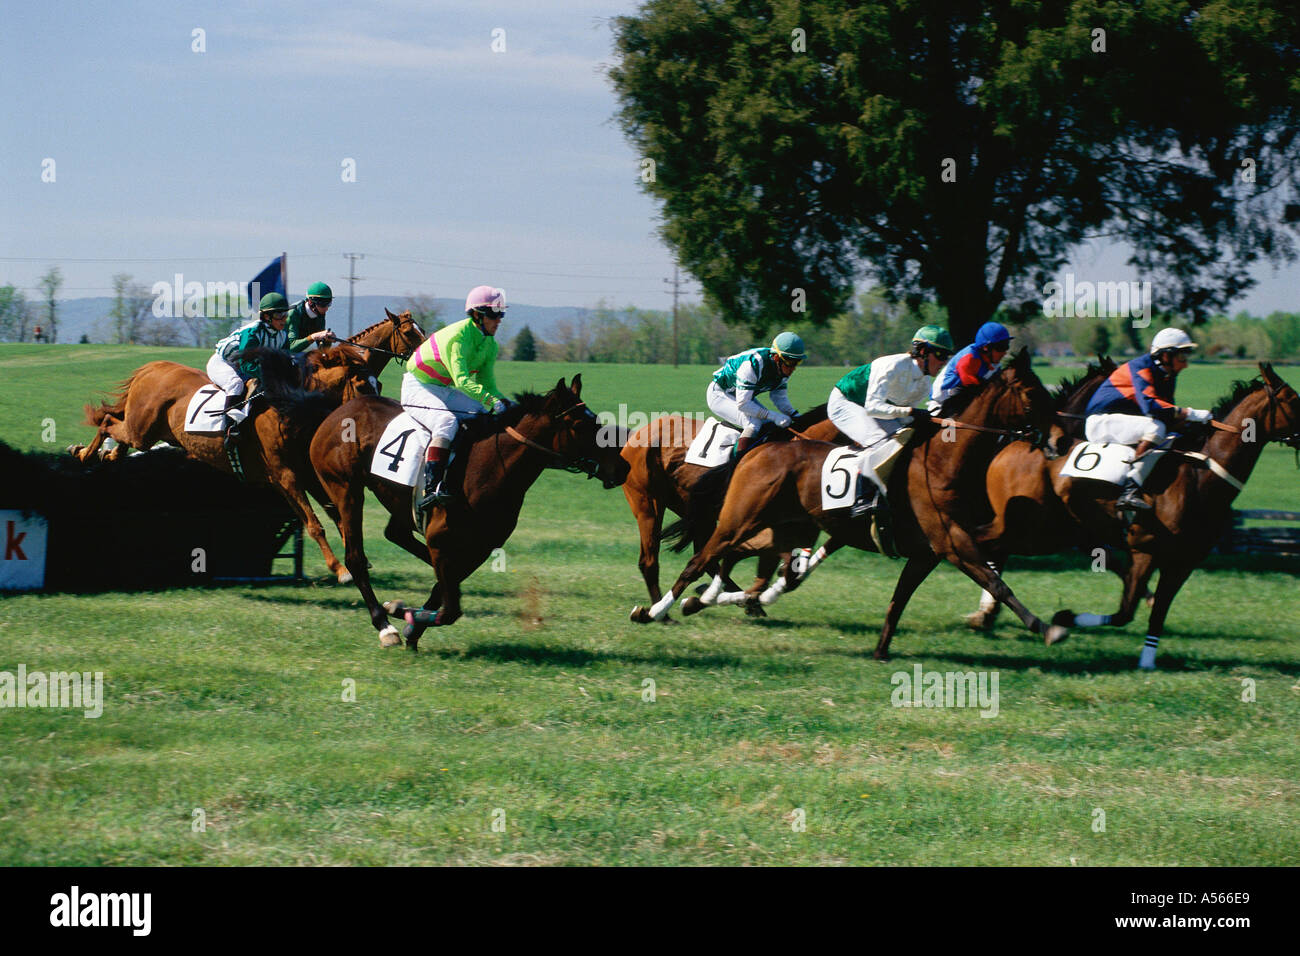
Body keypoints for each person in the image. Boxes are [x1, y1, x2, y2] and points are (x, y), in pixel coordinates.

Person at [402, 285, 510, 508]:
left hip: (440, 388)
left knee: (481, 414)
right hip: (417, 386)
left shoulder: (490, 344)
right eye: (494, 314)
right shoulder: (459, 336)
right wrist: (492, 402)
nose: (499, 320)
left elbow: (486, 384)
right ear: (478, 316)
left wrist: (505, 403)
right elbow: (462, 381)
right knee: (446, 421)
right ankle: (431, 488)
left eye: (502, 314)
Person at [831, 325, 953, 516]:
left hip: (877, 408)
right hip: (846, 402)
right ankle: (863, 497)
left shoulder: (924, 384)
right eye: (940, 355)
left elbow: (902, 419)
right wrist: (911, 412)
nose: (944, 362)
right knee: (879, 440)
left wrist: (919, 418)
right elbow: (873, 408)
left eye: (947, 357)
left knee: (907, 439)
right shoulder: (892, 365)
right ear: (922, 351)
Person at [1084, 327, 1212, 510]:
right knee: (1156, 428)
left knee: (1173, 432)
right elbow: (1151, 406)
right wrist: (1191, 413)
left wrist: (1191, 422)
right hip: (1100, 422)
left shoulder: (1167, 375)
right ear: (1166, 356)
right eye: (1182, 357)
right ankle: (1130, 490)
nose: (1185, 364)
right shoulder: (1140, 367)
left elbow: (1168, 412)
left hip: (1120, 421)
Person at [208, 293, 292, 443]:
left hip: (249, 366)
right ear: (267, 317)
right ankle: (228, 427)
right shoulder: (253, 332)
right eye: (280, 315)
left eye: (286, 314)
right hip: (224, 363)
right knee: (236, 385)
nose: (284, 319)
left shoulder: (283, 336)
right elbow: (246, 365)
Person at [707, 331, 804, 459]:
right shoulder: (753, 364)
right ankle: (734, 467)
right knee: (754, 423)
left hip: (741, 396)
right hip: (720, 394)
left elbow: (778, 397)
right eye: (790, 363)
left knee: (769, 425)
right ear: (776, 358)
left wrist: (794, 414)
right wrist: (774, 415)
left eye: (797, 362)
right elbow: (743, 404)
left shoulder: (782, 369)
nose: (793, 368)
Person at [929, 321, 1013, 412]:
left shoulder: (993, 361)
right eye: (1001, 347)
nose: (1004, 353)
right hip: (942, 399)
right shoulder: (968, 360)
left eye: (1006, 346)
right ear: (986, 347)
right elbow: (974, 390)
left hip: (962, 392)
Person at [285, 281, 337, 352]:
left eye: (328, 304)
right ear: (311, 302)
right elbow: (291, 347)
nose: (326, 308)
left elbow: (323, 350)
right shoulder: (293, 314)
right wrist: (313, 337)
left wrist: (327, 340)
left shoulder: (320, 314)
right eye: (323, 304)